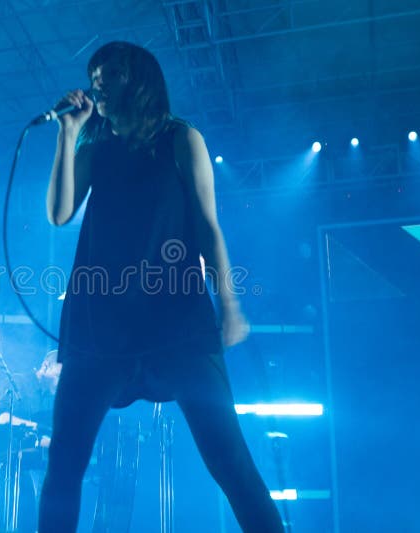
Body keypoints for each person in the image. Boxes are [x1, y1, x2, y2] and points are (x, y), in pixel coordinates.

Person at [39, 41, 285, 532]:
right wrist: (68, 136)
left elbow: (207, 225)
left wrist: (229, 305)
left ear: (139, 79)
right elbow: (59, 213)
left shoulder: (180, 138)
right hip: (100, 328)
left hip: (175, 323)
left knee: (229, 460)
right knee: (64, 466)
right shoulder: (95, 145)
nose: (97, 85)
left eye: (108, 75)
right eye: (93, 76)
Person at [0, 349, 61, 532]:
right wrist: (41, 432)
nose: (62, 383)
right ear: (46, 366)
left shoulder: (47, 399)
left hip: (20, 466)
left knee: (28, 523)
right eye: (59, 376)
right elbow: (1, 418)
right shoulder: (17, 382)